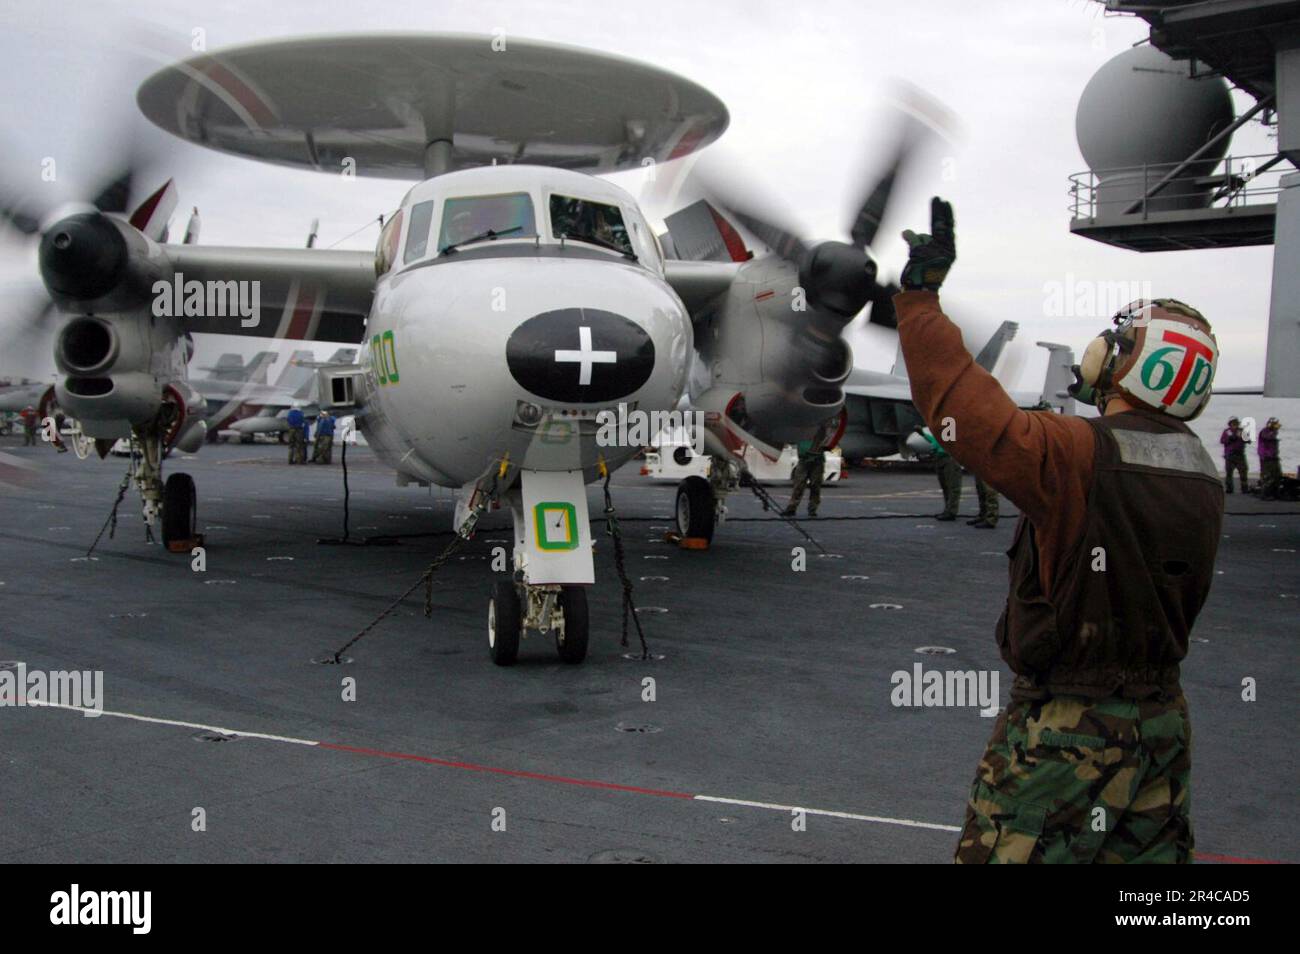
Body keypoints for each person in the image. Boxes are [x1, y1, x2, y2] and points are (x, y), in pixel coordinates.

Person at [895, 197, 1223, 864]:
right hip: (1161, 730)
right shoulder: (1202, 471)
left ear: (1124, 359)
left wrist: (920, 301)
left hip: (1070, 731)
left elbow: (967, 410)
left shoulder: (1080, 452)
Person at [784, 418, 835, 517]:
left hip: (816, 459)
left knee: (814, 486)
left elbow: (830, 432)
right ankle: (794, 508)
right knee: (799, 485)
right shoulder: (801, 428)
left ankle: (810, 509)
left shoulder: (821, 427)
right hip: (805, 459)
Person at [916, 424, 962, 521]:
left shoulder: (951, 423)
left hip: (949, 458)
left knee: (952, 487)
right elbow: (935, 441)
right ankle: (948, 510)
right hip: (940, 459)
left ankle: (951, 512)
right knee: (945, 486)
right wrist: (923, 434)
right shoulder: (942, 426)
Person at [1219, 417, 1250, 494]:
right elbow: (1222, 441)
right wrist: (1230, 438)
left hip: (1240, 455)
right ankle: (1229, 489)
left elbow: (1248, 441)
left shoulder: (1241, 431)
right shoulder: (1227, 431)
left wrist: (1243, 437)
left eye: (1236, 423)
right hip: (1230, 455)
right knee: (1229, 472)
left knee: (1243, 471)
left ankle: (1244, 488)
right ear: (1230, 424)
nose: (1235, 425)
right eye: (1233, 423)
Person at [1258, 417, 1282, 500]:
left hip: (1274, 457)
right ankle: (1265, 494)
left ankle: (1275, 493)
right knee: (1267, 476)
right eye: (1275, 424)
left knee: (1277, 475)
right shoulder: (1265, 431)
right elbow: (1268, 437)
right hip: (1266, 458)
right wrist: (1274, 431)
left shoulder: (1273, 432)